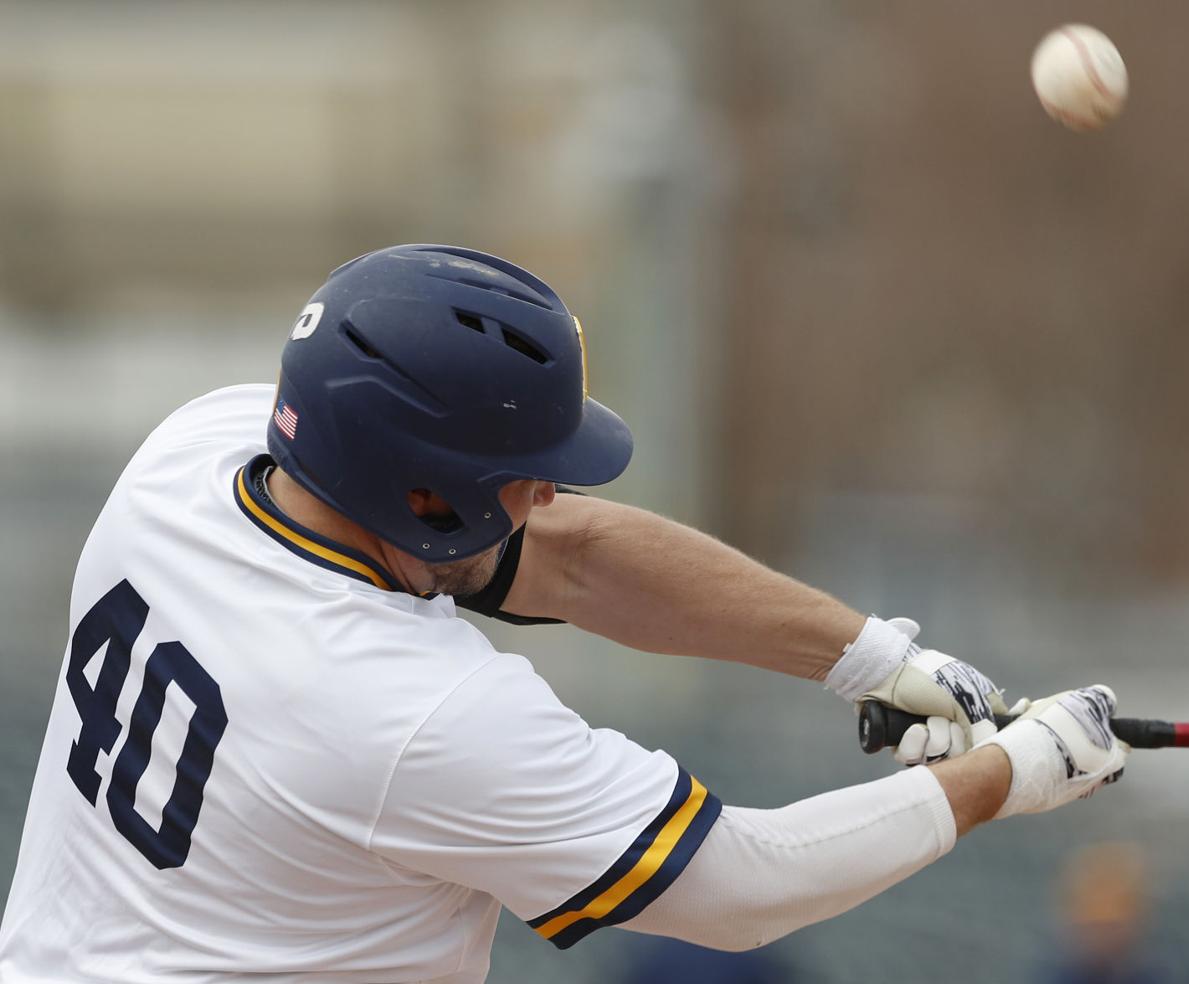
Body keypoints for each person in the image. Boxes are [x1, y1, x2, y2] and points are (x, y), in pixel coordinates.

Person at [0, 245, 1127, 982]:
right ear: (422, 496)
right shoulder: (414, 714)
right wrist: (1009, 775)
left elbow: (572, 558)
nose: (549, 495)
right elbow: (743, 887)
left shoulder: (195, 455)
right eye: (521, 475)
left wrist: (872, 659)